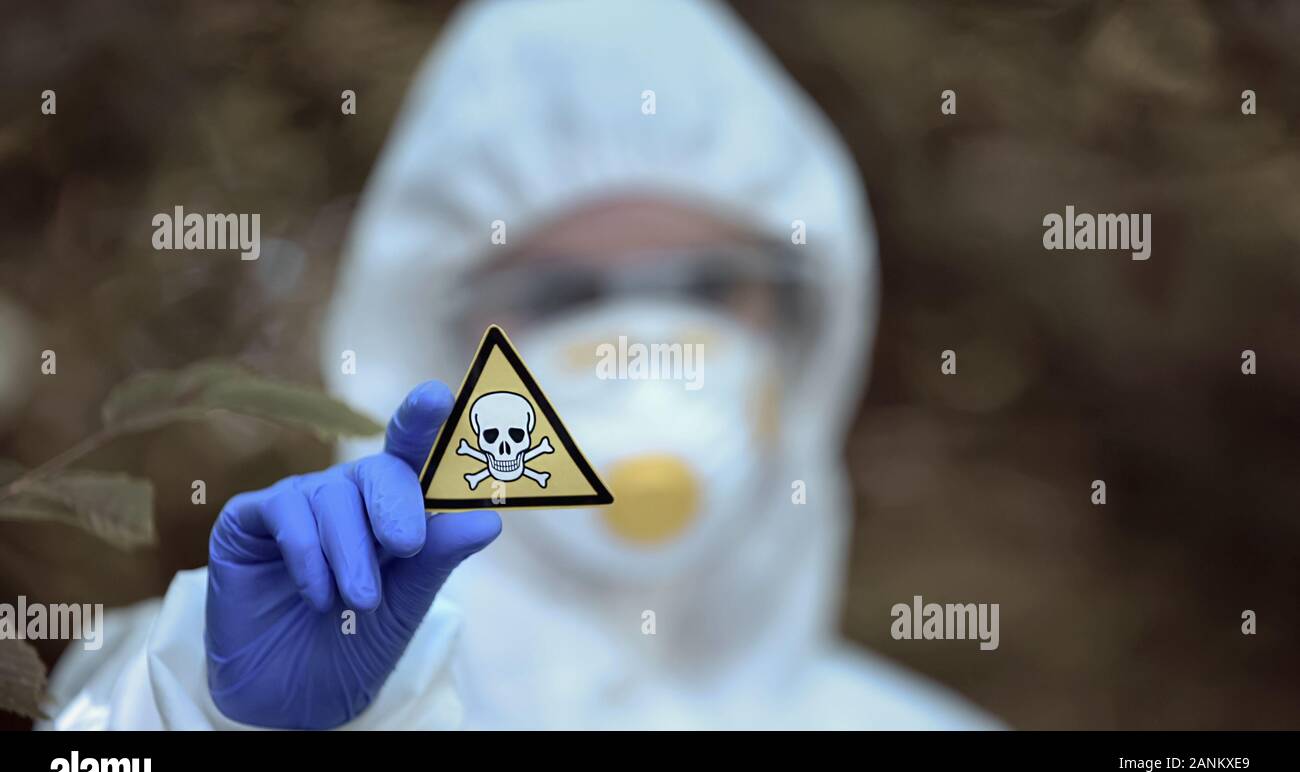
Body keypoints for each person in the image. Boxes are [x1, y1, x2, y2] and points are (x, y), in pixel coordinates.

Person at [41, 0, 997, 730]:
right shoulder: (176, 676)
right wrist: (217, 721)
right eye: (562, 297)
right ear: (430, 342)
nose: (641, 346)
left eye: (708, 286)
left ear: (801, 329)